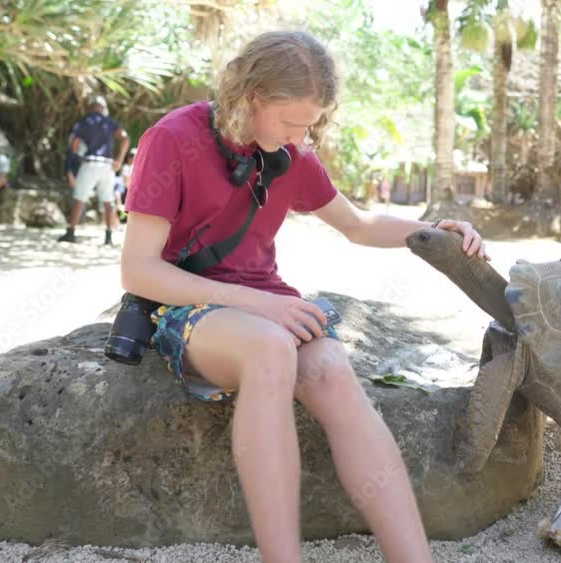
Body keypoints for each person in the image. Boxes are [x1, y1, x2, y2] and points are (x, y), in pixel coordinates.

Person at [122, 31, 488, 563]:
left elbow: (358, 224)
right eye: (291, 121)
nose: (302, 134)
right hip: (186, 306)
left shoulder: (289, 152)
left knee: (332, 369)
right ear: (251, 96)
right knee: (270, 347)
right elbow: (138, 271)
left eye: (311, 123)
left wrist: (436, 230)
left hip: (265, 307)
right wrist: (256, 305)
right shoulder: (172, 138)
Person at [58, 95, 130, 245]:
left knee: (80, 198)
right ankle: (108, 235)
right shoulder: (109, 122)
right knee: (108, 200)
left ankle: (71, 232)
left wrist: (79, 154)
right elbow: (125, 138)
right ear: (103, 108)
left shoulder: (84, 121)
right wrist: (119, 160)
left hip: (90, 163)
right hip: (108, 165)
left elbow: (75, 145)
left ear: (90, 106)